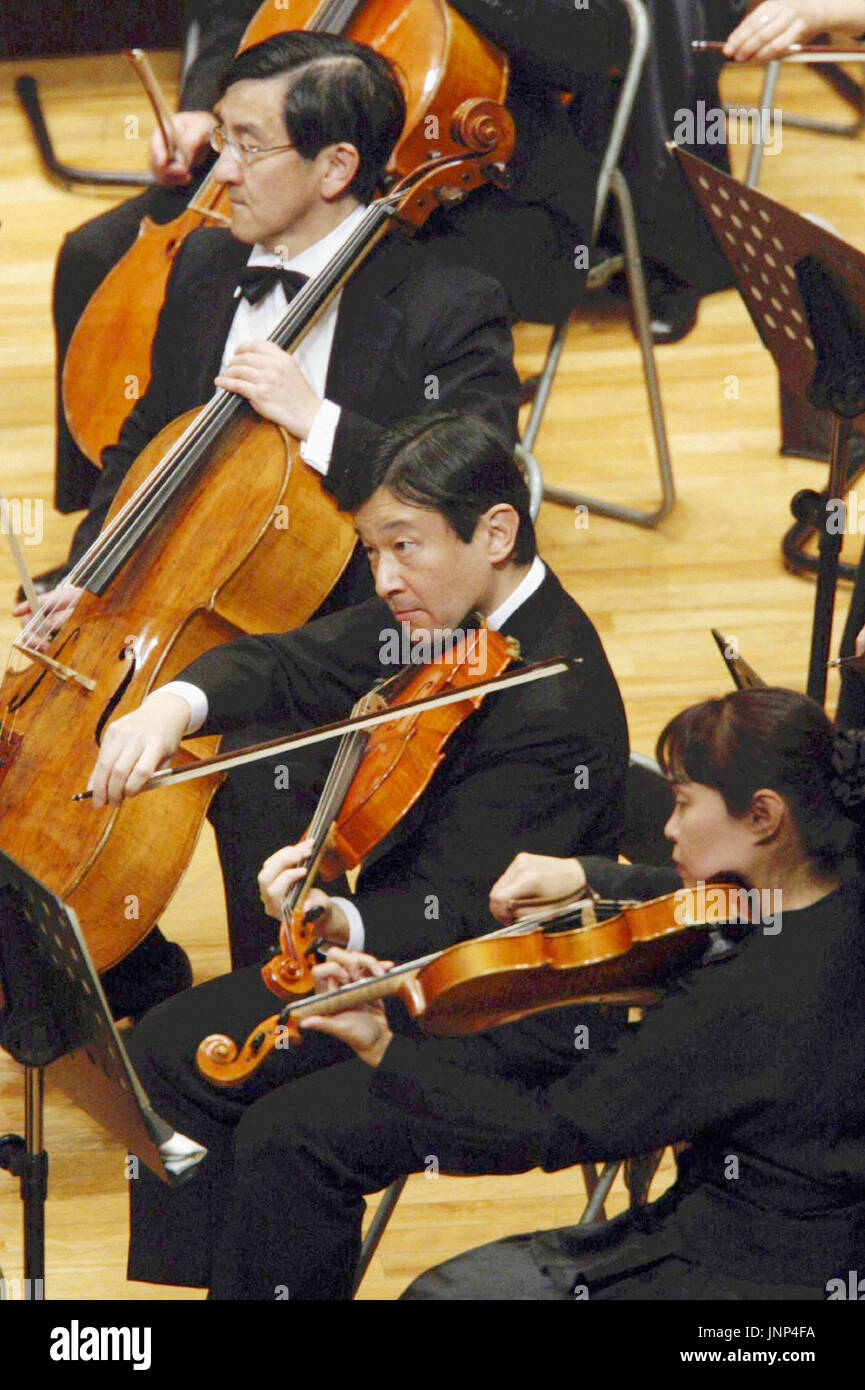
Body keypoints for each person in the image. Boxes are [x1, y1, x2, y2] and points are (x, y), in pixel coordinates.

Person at [103, 411, 632, 1297]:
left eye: (404, 548)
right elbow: (292, 663)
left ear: (495, 531)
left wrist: (333, 914)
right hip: (403, 961)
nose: (384, 580)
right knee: (169, 1048)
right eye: (372, 551)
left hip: (498, 1002)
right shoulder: (447, 617)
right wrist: (174, 706)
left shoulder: (552, 704)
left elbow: (466, 909)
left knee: (230, 1092)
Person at [169, 684, 865, 1301]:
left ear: (764, 817)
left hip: (746, 1273)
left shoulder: (736, 999)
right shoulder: (834, 890)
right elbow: (705, 903)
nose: (666, 828)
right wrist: (594, 876)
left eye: (683, 803)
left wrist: (385, 1049)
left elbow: (550, 1128)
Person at [26, 30, 519, 636]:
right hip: (185, 592)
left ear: (336, 167)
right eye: (221, 137)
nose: (223, 171)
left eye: (250, 146)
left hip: (351, 626)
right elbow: (144, 441)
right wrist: (91, 570)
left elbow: (475, 483)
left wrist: (317, 420)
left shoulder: (451, 305)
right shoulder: (204, 262)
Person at [52, 1, 261, 519]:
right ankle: (100, 513)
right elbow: (230, 16)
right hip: (248, 144)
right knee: (93, 254)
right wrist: (200, 111)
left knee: (207, 271)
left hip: (382, 178)